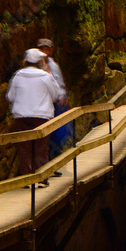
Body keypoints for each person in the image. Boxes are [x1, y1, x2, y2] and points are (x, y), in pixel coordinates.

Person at [6, 48, 60, 187]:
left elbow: (10, 96)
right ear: (39, 62)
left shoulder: (18, 75)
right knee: (41, 147)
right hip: (41, 116)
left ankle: (26, 179)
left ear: (26, 61)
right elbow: (55, 95)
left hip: (21, 116)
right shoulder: (46, 76)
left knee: (24, 148)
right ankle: (41, 179)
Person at [37, 37, 71, 167]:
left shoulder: (53, 66)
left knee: (56, 134)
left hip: (54, 104)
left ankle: (54, 162)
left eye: (46, 49)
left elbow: (59, 84)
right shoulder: (35, 65)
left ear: (51, 51)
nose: (44, 52)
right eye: (42, 49)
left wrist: (62, 96)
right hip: (40, 106)